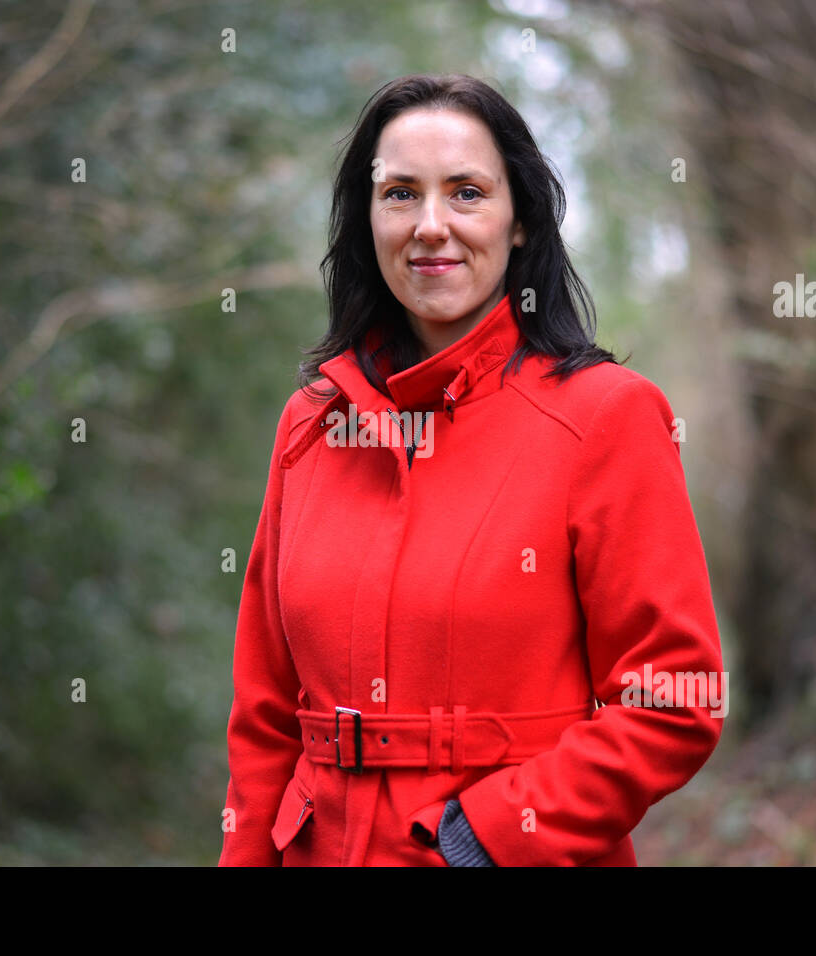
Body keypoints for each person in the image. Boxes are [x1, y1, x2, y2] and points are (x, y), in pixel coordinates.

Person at [218, 73, 725, 866]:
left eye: (465, 193)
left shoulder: (605, 417)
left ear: (519, 219)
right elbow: (265, 713)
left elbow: (674, 699)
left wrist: (484, 837)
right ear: (367, 218)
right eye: (399, 195)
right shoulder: (311, 425)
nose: (430, 226)